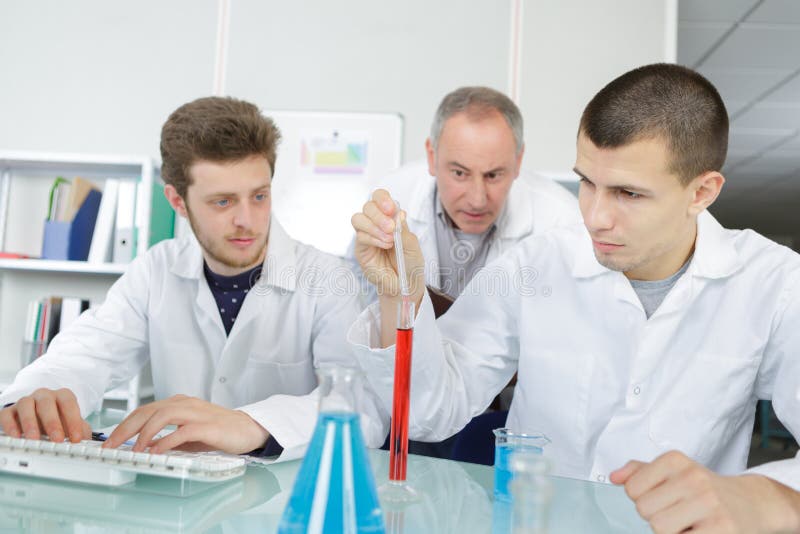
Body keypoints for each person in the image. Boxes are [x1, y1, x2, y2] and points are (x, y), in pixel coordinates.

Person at [350, 64, 800, 531]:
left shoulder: (774, 286)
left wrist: (764, 497)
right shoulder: (536, 264)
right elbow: (428, 414)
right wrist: (397, 296)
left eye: (628, 193)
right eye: (587, 182)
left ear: (701, 192)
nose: (595, 216)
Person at [0, 96, 385, 460]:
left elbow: (364, 409)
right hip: (182, 500)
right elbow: (84, 355)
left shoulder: (328, 279)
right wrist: (35, 398)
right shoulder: (155, 270)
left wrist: (251, 424)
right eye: (223, 201)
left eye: (259, 196)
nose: (247, 220)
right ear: (177, 201)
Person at [353, 86, 579, 303]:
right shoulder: (393, 196)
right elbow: (360, 301)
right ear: (432, 157)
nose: (477, 200)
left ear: (518, 161)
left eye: (493, 175)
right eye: (460, 173)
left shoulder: (563, 222)